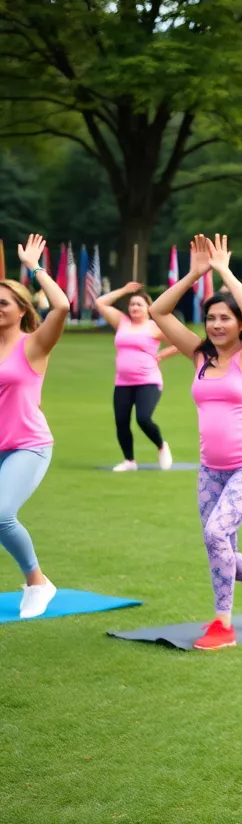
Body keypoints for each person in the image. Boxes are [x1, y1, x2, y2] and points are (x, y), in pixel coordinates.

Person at [150, 234, 242, 651]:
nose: (216, 324)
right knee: (220, 547)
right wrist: (195, 274)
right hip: (211, 468)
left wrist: (223, 270)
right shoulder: (199, 356)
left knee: (216, 534)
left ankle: (223, 625)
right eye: (211, 318)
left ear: (238, 326)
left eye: (224, 319)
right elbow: (160, 311)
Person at [0, 234, 68, 618]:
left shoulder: (34, 345)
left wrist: (35, 267)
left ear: (22, 309)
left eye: (3, 303)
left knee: (1, 514)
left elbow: (61, 305)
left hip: (28, 444)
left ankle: (37, 583)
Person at [93, 281, 178, 471]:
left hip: (148, 381)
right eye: (132, 304)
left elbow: (181, 341)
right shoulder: (121, 322)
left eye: (139, 304)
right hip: (123, 382)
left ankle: (161, 446)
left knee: (143, 418)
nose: (134, 307)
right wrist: (124, 290)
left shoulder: (154, 327)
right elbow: (100, 302)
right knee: (121, 421)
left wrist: (162, 355)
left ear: (148, 307)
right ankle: (129, 461)